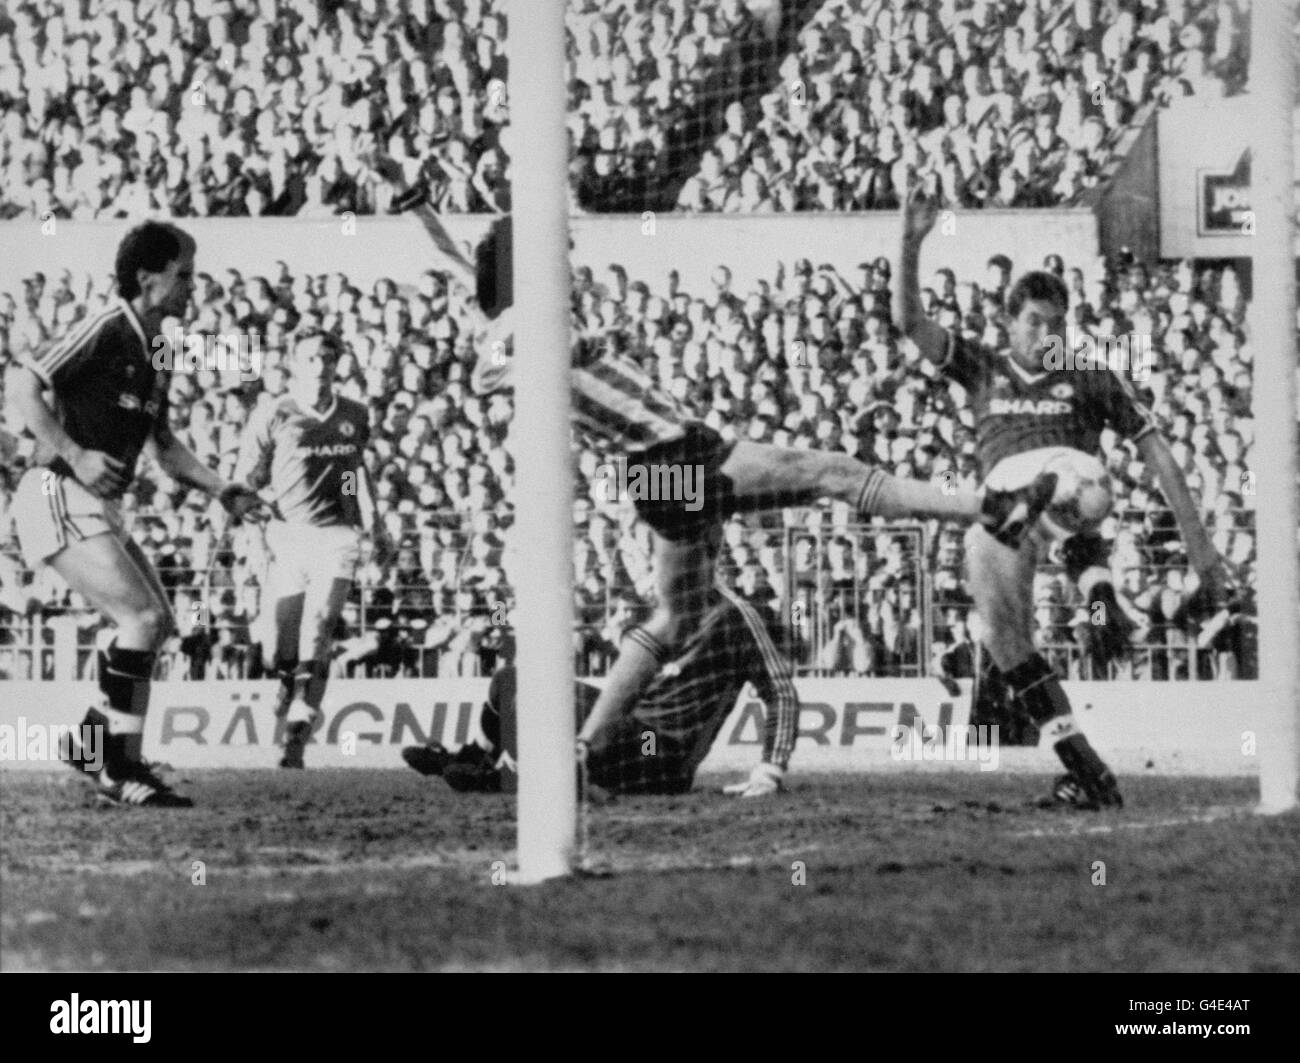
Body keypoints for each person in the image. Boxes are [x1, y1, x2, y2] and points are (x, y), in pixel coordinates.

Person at [896, 183, 1229, 809]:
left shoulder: (1090, 376)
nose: (1046, 333)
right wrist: (910, 244)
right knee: (1003, 637)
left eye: (1057, 324)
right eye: (1034, 322)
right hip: (1004, 506)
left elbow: (1157, 453)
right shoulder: (982, 367)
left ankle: (1094, 579)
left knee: (1062, 486)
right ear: (1009, 323)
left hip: (1074, 486)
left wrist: (1201, 552)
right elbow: (909, 323)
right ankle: (1089, 770)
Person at [10, 221, 265, 806]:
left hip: (92, 502)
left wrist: (221, 488)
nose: (193, 287)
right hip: (55, 490)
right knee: (142, 620)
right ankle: (116, 767)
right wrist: (75, 451)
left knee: (159, 622)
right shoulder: (106, 327)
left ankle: (94, 743)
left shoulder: (159, 348)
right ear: (147, 278)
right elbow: (20, 385)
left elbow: (165, 445)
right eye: (185, 275)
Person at [403, 530, 800, 797]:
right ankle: (477, 757)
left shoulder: (738, 617)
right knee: (511, 680)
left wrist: (769, 771)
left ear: (708, 557)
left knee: (550, 696)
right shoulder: (660, 610)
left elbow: (780, 692)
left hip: (660, 756)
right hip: (626, 733)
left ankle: (507, 776)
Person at [234, 330, 386, 768]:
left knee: (319, 626)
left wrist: (373, 520)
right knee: (280, 643)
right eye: (311, 357)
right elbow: (246, 477)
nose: (320, 364)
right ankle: (286, 677)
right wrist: (253, 534)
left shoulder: (355, 413)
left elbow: (354, 470)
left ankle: (296, 738)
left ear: (338, 362)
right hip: (286, 535)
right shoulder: (274, 413)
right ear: (294, 363)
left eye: (327, 356)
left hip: (338, 535)